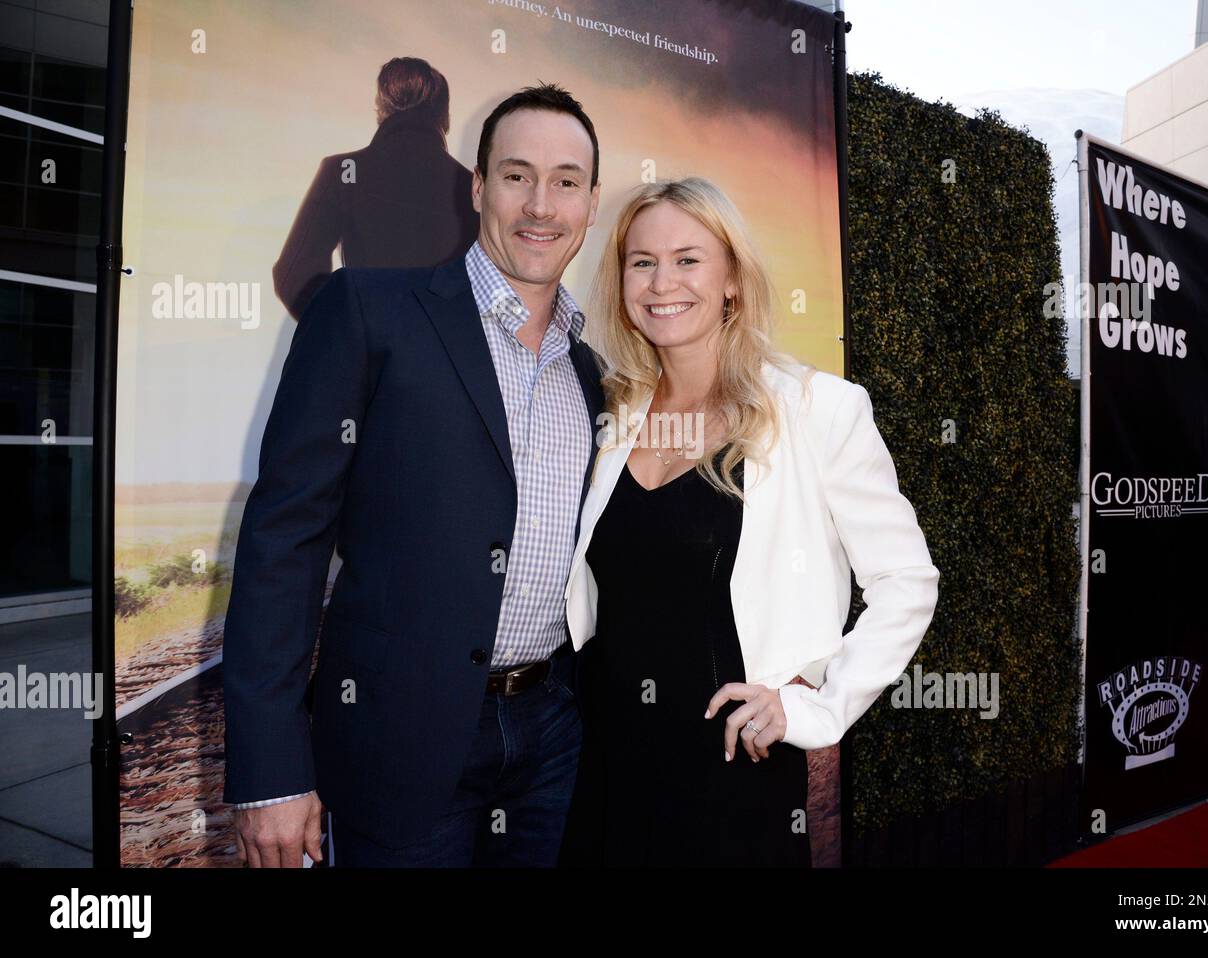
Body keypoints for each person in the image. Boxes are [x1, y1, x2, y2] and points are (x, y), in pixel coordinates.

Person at [222, 82, 604, 867]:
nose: (541, 204)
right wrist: (269, 773)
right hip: (400, 745)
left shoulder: (590, 371)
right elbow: (284, 538)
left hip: (551, 742)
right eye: (516, 174)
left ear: (591, 203)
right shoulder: (367, 310)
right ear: (477, 186)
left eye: (567, 181)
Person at [560, 177, 939, 867]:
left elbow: (907, 580)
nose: (660, 281)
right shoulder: (611, 414)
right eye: (641, 262)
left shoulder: (817, 409)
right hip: (605, 757)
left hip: (734, 761)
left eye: (688, 259)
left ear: (732, 277)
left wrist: (819, 707)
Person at [271, 57, 479, 320]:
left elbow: (294, 274)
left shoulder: (344, 170)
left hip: (367, 351)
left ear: (381, 110)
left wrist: (348, 336)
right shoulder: (473, 188)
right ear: (445, 118)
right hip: (445, 354)